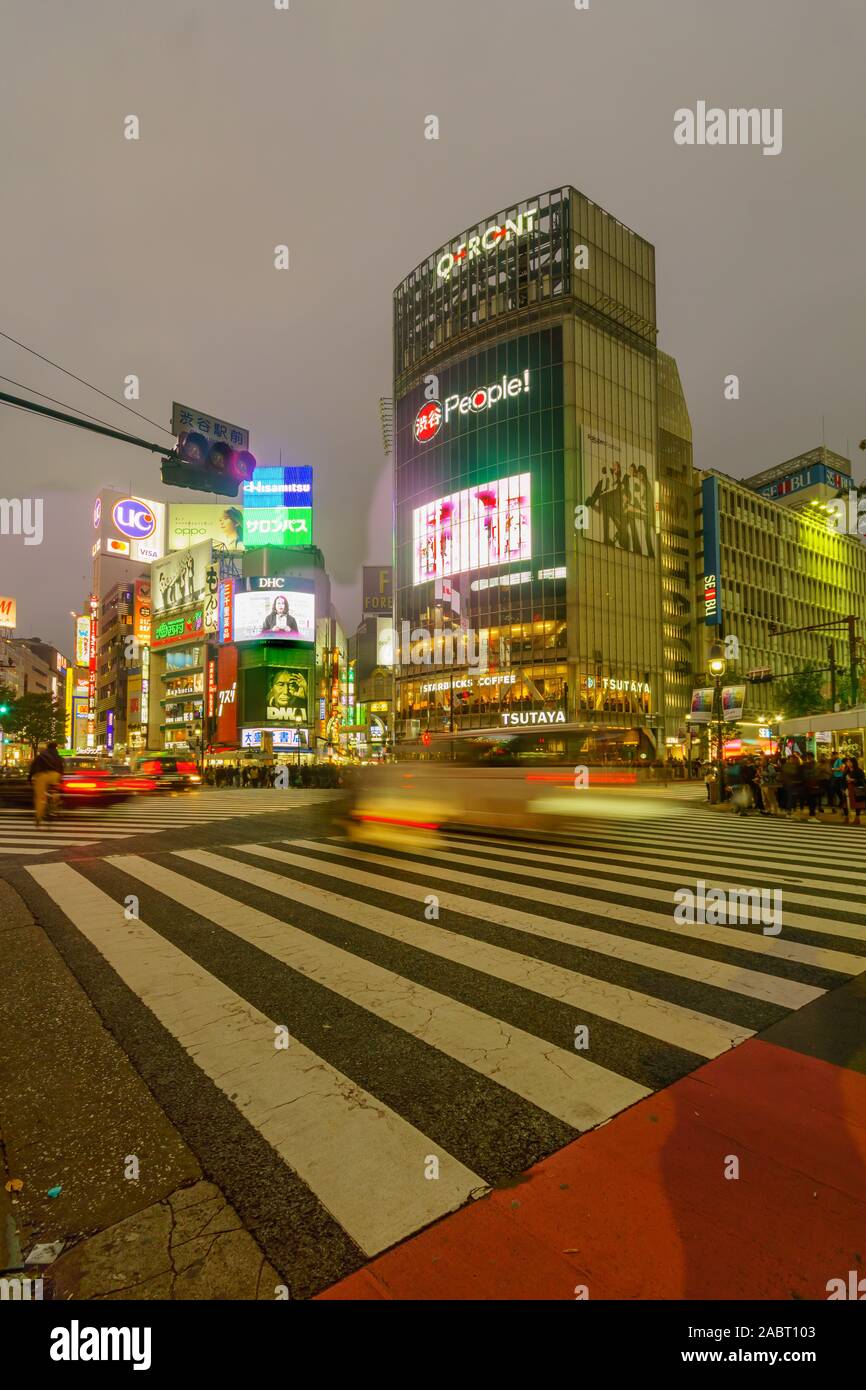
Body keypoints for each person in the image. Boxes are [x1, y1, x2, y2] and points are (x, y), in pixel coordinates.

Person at [29, 740, 64, 828]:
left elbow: (33, 767)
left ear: (47, 747)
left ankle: (38, 817)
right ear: (55, 748)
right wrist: (60, 779)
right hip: (55, 775)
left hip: (42, 775)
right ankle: (55, 801)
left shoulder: (41, 755)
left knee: (40, 797)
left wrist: (30, 778)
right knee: (54, 790)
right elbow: (61, 769)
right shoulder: (58, 756)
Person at [780, 753, 804, 817]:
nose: (793, 760)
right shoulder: (787, 766)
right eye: (792, 759)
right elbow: (784, 775)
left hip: (795, 784)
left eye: (794, 759)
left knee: (794, 798)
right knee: (790, 798)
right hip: (790, 784)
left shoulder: (797, 766)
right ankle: (789, 810)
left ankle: (793, 809)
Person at [843, 756, 866, 825]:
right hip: (847, 788)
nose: (848, 763)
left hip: (855, 789)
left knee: (857, 804)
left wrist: (854, 780)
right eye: (847, 762)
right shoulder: (846, 770)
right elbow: (842, 779)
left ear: (854, 763)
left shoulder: (859, 770)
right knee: (845, 804)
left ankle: (857, 818)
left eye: (850, 762)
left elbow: (862, 780)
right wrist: (843, 788)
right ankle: (847, 817)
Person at [800, 752, 822, 822]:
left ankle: (811, 815)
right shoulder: (811, 765)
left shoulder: (811, 765)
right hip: (810, 784)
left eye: (809, 757)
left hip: (811, 784)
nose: (808, 758)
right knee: (811, 800)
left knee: (811, 800)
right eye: (807, 757)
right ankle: (812, 815)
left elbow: (815, 774)